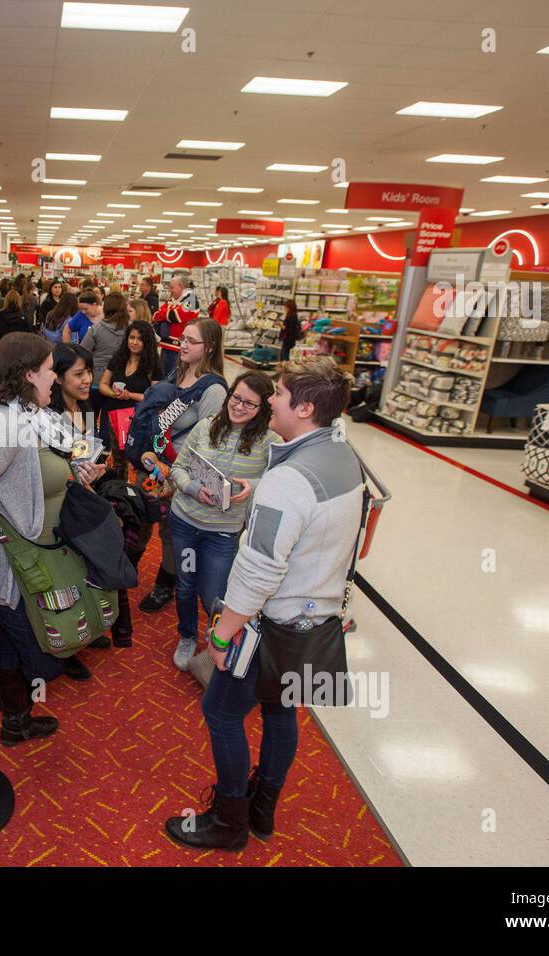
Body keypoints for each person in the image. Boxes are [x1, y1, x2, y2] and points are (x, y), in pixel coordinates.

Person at [165, 356, 358, 851]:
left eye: (280, 394)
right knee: (280, 711)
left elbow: (260, 568)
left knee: (222, 712)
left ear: (306, 407)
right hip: (314, 620)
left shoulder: (290, 480)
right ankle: (261, 810)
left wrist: (223, 632)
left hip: (272, 623)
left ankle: (229, 821)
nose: (271, 398)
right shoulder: (342, 457)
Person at [0, 334, 108, 746]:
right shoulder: (4, 424)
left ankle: (15, 721)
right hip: (15, 565)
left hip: (33, 558)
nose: (55, 376)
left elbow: (29, 476)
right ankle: (16, 717)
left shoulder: (27, 414)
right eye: (50, 368)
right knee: (43, 656)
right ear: (30, 374)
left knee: (14, 647)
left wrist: (74, 475)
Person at [166, 372, 276, 670]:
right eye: (236, 398)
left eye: (249, 404)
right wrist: (191, 487)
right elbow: (178, 468)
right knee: (186, 583)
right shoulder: (206, 426)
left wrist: (254, 485)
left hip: (222, 534)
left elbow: (279, 482)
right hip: (185, 522)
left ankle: (218, 638)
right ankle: (187, 636)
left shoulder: (270, 442)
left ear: (263, 409)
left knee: (214, 593)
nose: (239, 407)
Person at [137, 317, 229, 617]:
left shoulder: (213, 390)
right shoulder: (178, 372)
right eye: (183, 339)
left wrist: (180, 479)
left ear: (210, 347)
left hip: (179, 471)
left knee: (169, 529)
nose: (182, 344)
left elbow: (209, 444)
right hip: (155, 462)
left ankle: (167, 582)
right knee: (142, 513)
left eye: (191, 341)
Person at [47, 342, 104, 678]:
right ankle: (64, 647)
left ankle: (86, 630)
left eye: (89, 372)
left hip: (88, 500)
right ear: (57, 378)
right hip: (63, 508)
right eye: (78, 374)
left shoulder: (87, 406)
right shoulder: (48, 417)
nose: (87, 380)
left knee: (87, 572)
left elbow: (93, 450)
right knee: (64, 580)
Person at [98, 318, 160, 449]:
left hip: (134, 419)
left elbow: (154, 398)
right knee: (106, 451)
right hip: (110, 414)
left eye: (140, 339)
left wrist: (129, 395)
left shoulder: (153, 365)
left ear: (147, 342)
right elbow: (103, 384)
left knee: (128, 455)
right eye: (132, 337)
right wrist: (113, 394)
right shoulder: (118, 358)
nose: (135, 342)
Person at [80, 290, 129, 425]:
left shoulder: (96, 328)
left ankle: (87, 442)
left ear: (106, 307)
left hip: (96, 379)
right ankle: (108, 444)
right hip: (119, 382)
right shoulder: (130, 330)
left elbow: (83, 352)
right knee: (113, 423)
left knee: (89, 418)